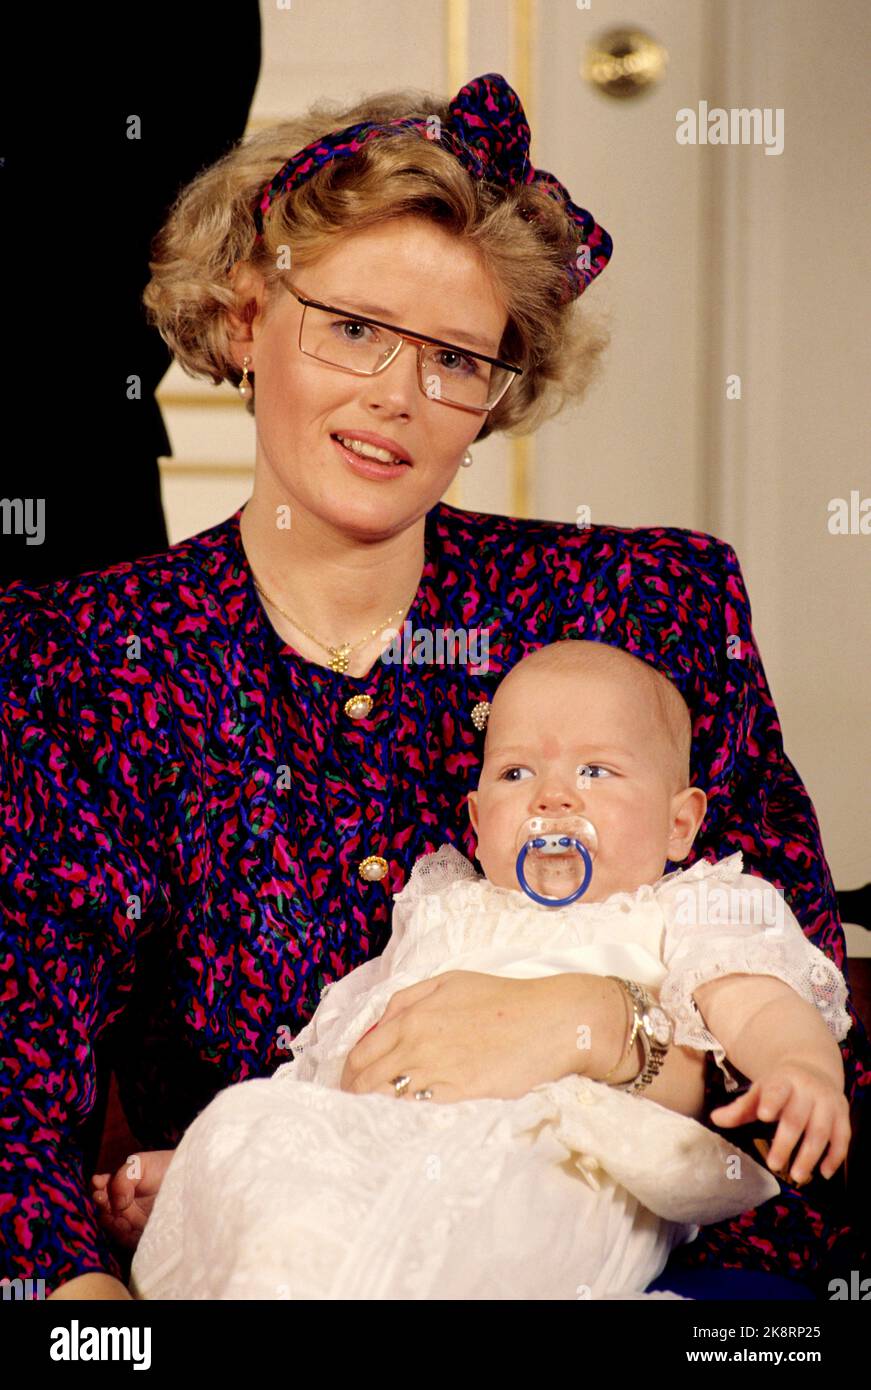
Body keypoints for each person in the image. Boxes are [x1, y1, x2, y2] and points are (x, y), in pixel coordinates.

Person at [0, 73, 867, 1301]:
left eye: (458, 359)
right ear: (244, 316)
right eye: (352, 328)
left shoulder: (649, 608)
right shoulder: (76, 657)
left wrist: (604, 1034)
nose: (397, 399)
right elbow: (12, 1132)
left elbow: (822, 1097)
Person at [89, 640, 850, 1300]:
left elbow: (755, 1001)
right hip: (388, 1143)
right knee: (245, 1124)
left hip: (571, 1164)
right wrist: (208, 1171)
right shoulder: (445, 913)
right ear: (479, 822)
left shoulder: (691, 907)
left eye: (596, 770)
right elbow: (353, 1048)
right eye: (517, 773)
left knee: (481, 1221)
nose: (554, 797)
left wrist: (799, 1069)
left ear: (679, 822)